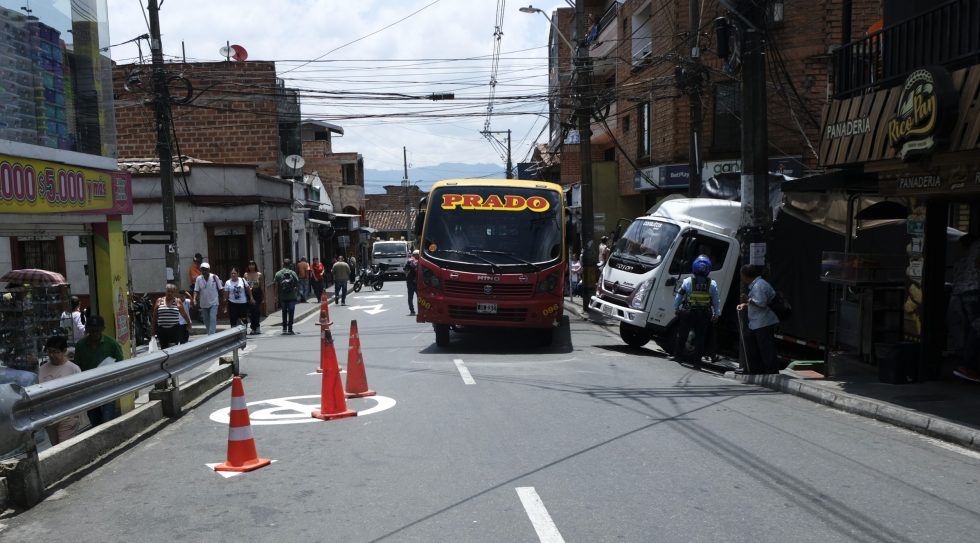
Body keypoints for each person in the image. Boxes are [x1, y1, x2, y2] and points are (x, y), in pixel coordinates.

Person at [73, 315, 125, 426]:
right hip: (89, 386)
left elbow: (121, 363)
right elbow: (77, 367)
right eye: (91, 330)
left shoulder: (111, 344)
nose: (94, 333)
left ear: (102, 329)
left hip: (108, 385)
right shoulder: (80, 345)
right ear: (87, 330)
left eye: (97, 330)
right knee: (94, 419)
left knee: (108, 418)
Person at [672, 255, 720, 363]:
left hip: (688, 313)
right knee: (700, 338)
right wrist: (716, 314)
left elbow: (679, 296)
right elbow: (716, 301)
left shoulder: (687, 282)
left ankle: (677, 357)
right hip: (704, 315)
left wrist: (676, 308)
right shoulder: (712, 284)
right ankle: (697, 362)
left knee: (682, 335)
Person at [736, 265, 780, 374]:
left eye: (742, 275)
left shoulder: (758, 286)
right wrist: (746, 305)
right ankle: (754, 368)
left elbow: (761, 302)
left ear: (746, 276)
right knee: (751, 342)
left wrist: (748, 299)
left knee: (765, 348)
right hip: (757, 322)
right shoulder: (757, 284)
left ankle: (771, 370)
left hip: (763, 322)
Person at [39, 336, 83, 445]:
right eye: (49, 352)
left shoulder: (74, 369)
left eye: (55, 352)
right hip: (49, 416)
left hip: (68, 415)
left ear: (64, 351)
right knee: (55, 447)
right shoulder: (42, 369)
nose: (52, 355)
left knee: (64, 447)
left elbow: (80, 392)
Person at [951, 235, 980, 382]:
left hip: (962, 292)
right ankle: (968, 366)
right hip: (974, 290)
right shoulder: (978, 247)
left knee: (969, 328)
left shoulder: (966, 255)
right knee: (976, 327)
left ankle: (966, 364)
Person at [151, 284, 191, 349]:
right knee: (164, 348)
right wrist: (153, 329)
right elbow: (155, 316)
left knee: (173, 348)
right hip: (162, 330)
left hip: (174, 329)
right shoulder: (159, 300)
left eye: (172, 292)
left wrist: (189, 323)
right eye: (168, 291)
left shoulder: (177, 301)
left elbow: (184, 314)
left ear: (174, 293)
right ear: (165, 291)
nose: (170, 293)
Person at [193, 262, 224, 335]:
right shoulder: (199, 279)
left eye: (206, 269)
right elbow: (196, 290)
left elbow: (221, 289)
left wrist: (223, 300)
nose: (204, 271)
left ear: (209, 270)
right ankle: (209, 335)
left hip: (214, 302)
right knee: (206, 321)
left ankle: (211, 336)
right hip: (204, 303)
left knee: (212, 318)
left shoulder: (214, 277)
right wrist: (194, 299)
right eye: (202, 270)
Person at [274, 259, 301, 335]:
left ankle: (284, 328)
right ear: (290, 265)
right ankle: (290, 328)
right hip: (292, 296)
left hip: (282, 296)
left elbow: (275, 284)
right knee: (291, 312)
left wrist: (276, 296)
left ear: (283, 264)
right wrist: (295, 289)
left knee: (284, 311)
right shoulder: (292, 273)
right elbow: (297, 282)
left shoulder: (278, 273)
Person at [244, 260, 264, 335]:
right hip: (249, 294)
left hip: (257, 294)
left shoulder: (259, 274)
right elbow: (245, 286)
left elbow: (261, 286)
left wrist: (263, 296)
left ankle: (257, 327)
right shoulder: (246, 275)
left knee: (256, 311)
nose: (251, 266)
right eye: (250, 265)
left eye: (253, 264)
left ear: (255, 266)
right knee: (251, 312)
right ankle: (253, 328)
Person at [404, 249, 420, 315]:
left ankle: (412, 311)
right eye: (418, 255)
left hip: (409, 281)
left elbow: (405, 269)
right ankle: (421, 310)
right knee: (420, 297)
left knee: (410, 297)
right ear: (416, 255)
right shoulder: (417, 261)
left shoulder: (408, 260)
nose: (419, 256)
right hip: (416, 281)